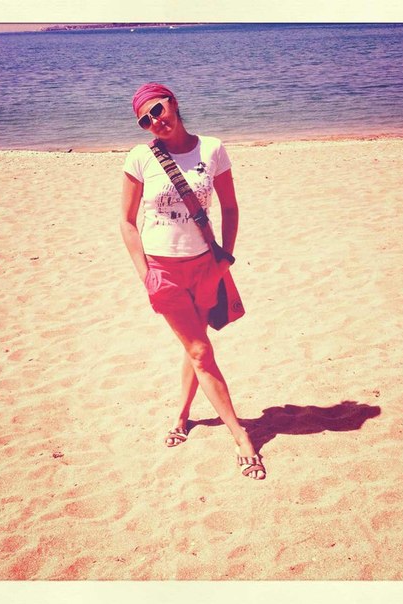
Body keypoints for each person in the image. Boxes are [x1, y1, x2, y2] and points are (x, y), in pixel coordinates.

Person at [120, 82, 266, 480]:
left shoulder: (213, 149)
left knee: (195, 347)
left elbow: (230, 208)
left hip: (204, 266)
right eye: (145, 120)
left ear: (173, 103)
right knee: (201, 350)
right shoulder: (140, 157)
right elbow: (126, 222)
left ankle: (181, 417)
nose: (155, 121)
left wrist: (225, 261)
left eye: (157, 110)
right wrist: (146, 275)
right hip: (162, 271)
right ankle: (241, 436)